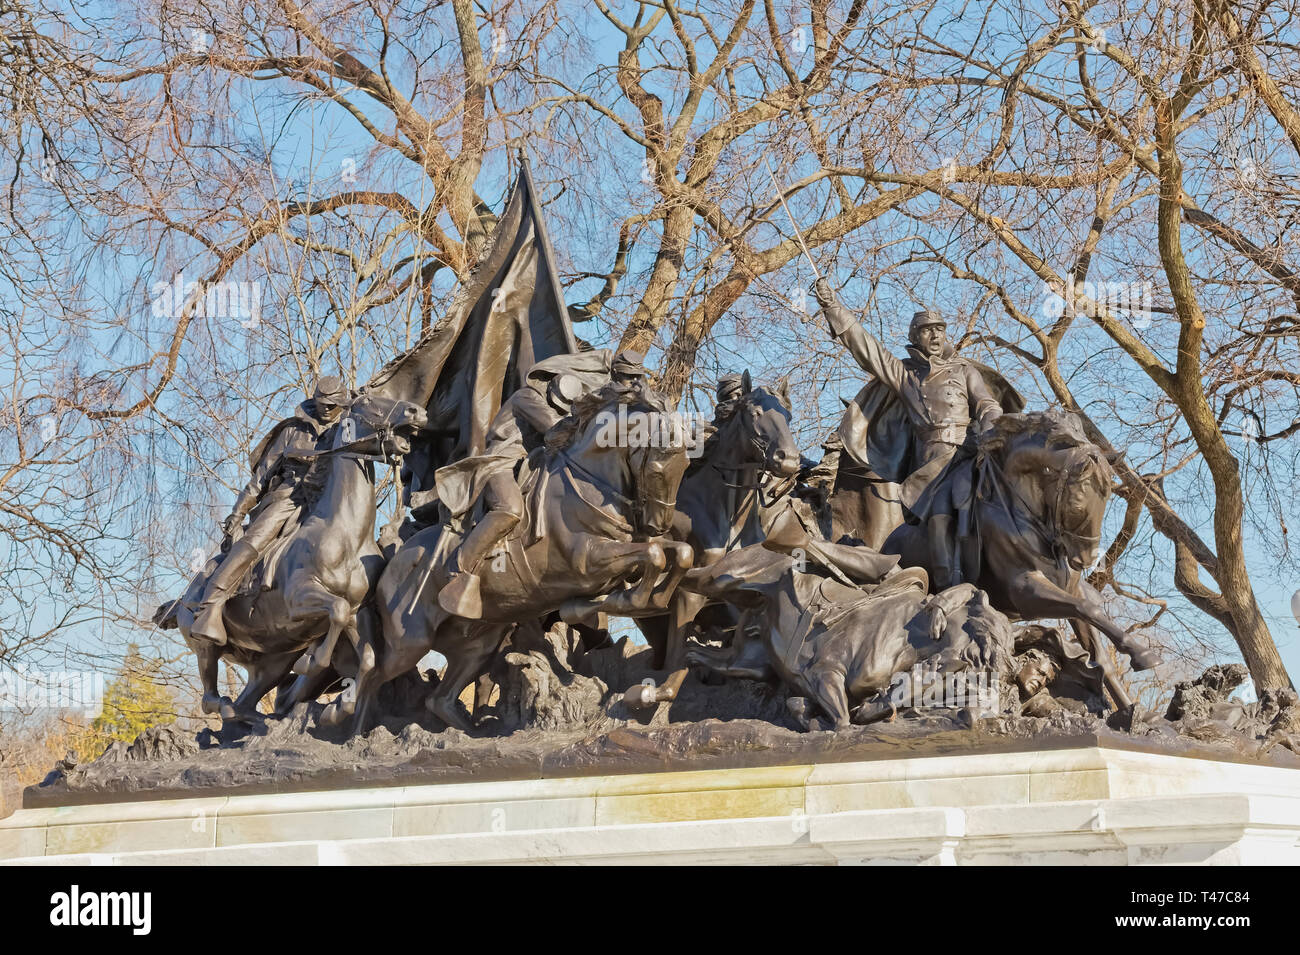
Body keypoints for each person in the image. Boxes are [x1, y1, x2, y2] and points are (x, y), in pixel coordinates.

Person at [813, 278, 1011, 588]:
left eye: (940, 329)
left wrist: (992, 425)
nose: (935, 335)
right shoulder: (905, 374)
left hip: (969, 453)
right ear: (914, 336)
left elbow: (986, 403)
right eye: (927, 330)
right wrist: (832, 306)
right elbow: (866, 348)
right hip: (931, 465)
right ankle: (950, 584)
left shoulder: (963, 370)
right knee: (941, 515)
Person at [189, 375, 350, 645]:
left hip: (328, 500)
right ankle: (210, 606)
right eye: (321, 402)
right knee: (256, 539)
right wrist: (238, 513)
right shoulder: (293, 431)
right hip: (289, 498)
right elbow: (260, 478)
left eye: (332, 404)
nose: (326, 408)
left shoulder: (346, 431)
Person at [437, 371, 584, 618]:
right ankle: (458, 567)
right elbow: (553, 427)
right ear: (550, 389)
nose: (559, 409)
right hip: (501, 463)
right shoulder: (527, 397)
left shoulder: (556, 409)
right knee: (510, 508)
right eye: (558, 404)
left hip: (529, 466)